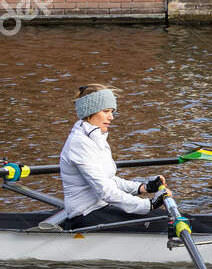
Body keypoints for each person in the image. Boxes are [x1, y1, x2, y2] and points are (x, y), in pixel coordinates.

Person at [58, 84, 171, 230]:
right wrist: (148, 205)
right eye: (106, 111)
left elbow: (109, 180)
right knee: (165, 223)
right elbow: (105, 191)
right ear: (89, 112)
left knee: (176, 218)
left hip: (102, 207)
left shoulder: (97, 137)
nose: (111, 117)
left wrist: (142, 187)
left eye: (111, 112)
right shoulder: (79, 143)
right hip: (85, 215)